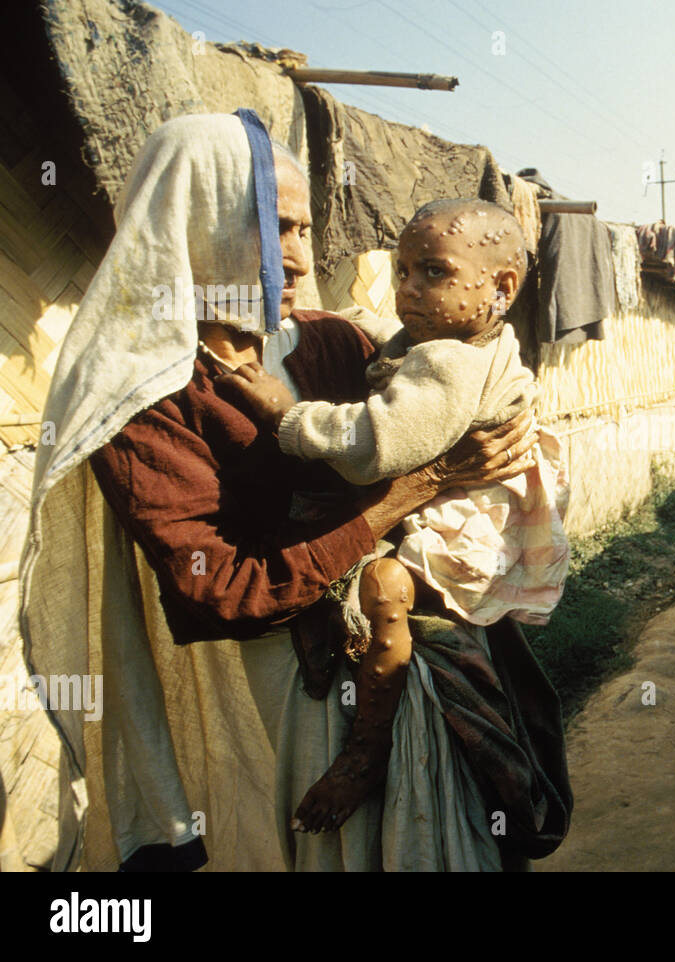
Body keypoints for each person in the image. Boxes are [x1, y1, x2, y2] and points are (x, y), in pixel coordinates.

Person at [21, 111, 570, 872]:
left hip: (431, 651)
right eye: (276, 228)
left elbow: (458, 387)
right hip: (303, 700)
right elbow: (222, 590)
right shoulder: (150, 402)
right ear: (199, 225)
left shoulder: (331, 341)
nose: (301, 259)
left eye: (306, 230)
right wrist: (414, 491)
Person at [220, 198, 570, 833]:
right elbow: (400, 349)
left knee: (384, 587)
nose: (408, 290)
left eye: (432, 273)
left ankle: (365, 749)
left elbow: (371, 447)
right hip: (480, 523)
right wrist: (357, 319)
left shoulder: (449, 362)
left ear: (502, 286)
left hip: (457, 539)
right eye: (402, 270)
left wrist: (285, 416)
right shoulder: (465, 338)